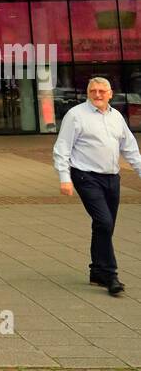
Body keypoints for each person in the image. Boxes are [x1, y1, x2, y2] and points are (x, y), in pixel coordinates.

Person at [53, 76, 141, 295]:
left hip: (112, 177)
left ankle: (96, 271)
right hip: (86, 176)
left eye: (102, 91)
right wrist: (65, 178)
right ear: (88, 93)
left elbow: (129, 147)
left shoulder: (116, 117)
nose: (98, 95)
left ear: (110, 93)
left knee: (104, 226)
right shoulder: (76, 116)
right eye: (94, 91)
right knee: (104, 222)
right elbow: (62, 148)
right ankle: (111, 275)